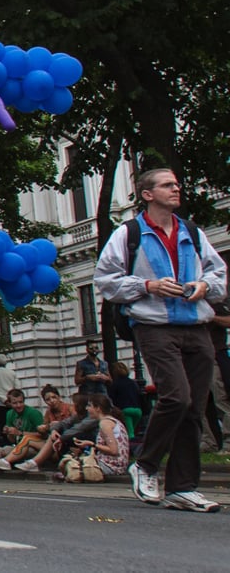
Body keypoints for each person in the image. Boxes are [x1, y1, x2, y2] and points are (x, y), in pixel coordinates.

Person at [94, 167, 227, 512]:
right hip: (153, 327)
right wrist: (147, 286)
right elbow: (105, 280)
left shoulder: (192, 232)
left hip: (196, 326)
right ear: (148, 194)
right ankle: (146, 464)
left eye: (177, 184)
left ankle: (183, 487)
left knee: (194, 409)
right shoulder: (129, 233)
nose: (176, 189)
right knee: (176, 397)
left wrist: (205, 287)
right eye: (168, 185)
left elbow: (219, 274)